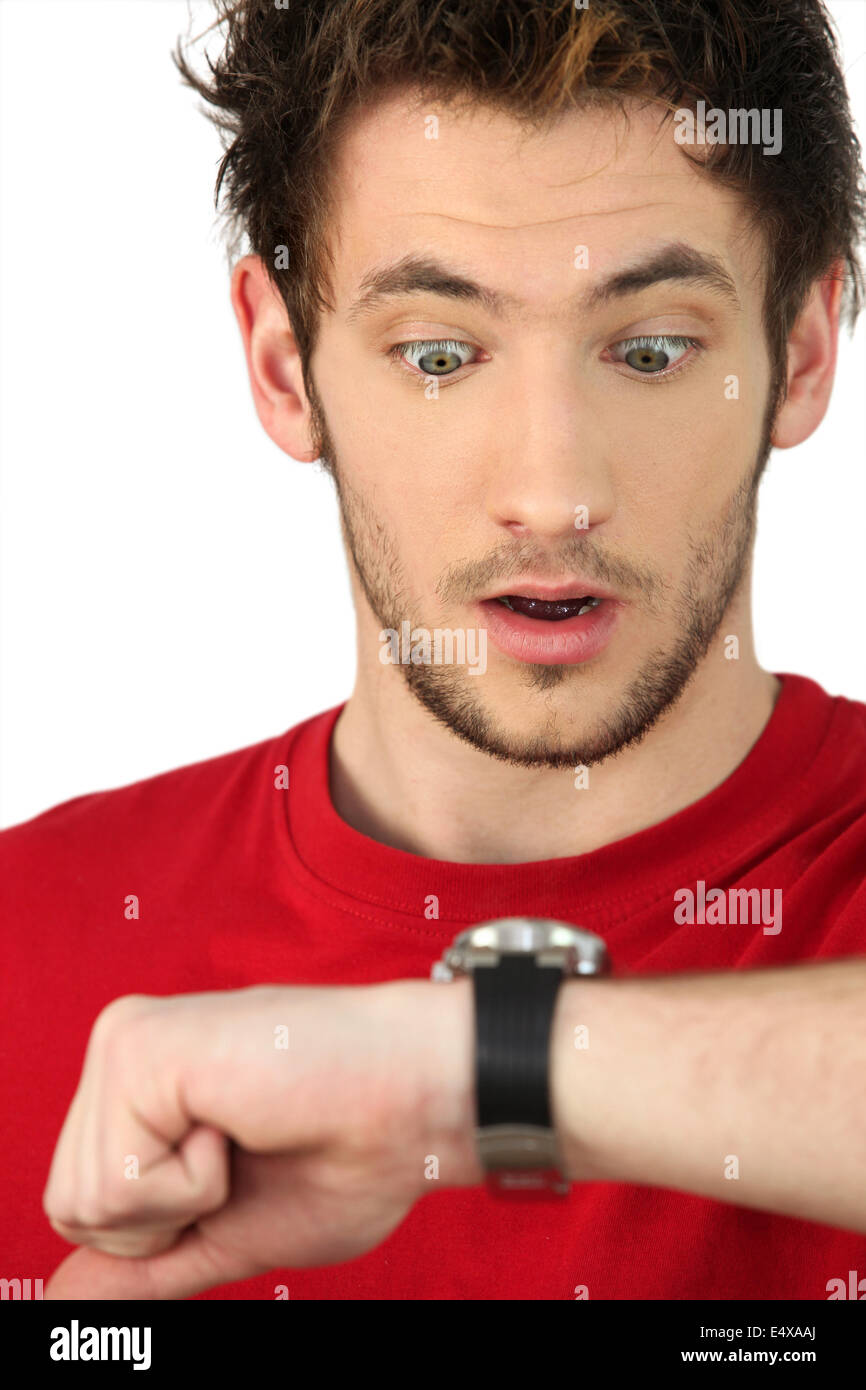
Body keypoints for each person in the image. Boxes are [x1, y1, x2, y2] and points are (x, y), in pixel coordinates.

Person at [2, 0, 866, 1301]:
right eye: (439, 354)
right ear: (282, 365)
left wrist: (458, 1071)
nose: (550, 490)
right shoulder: (26, 939)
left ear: (798, 352)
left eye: (647, 349)